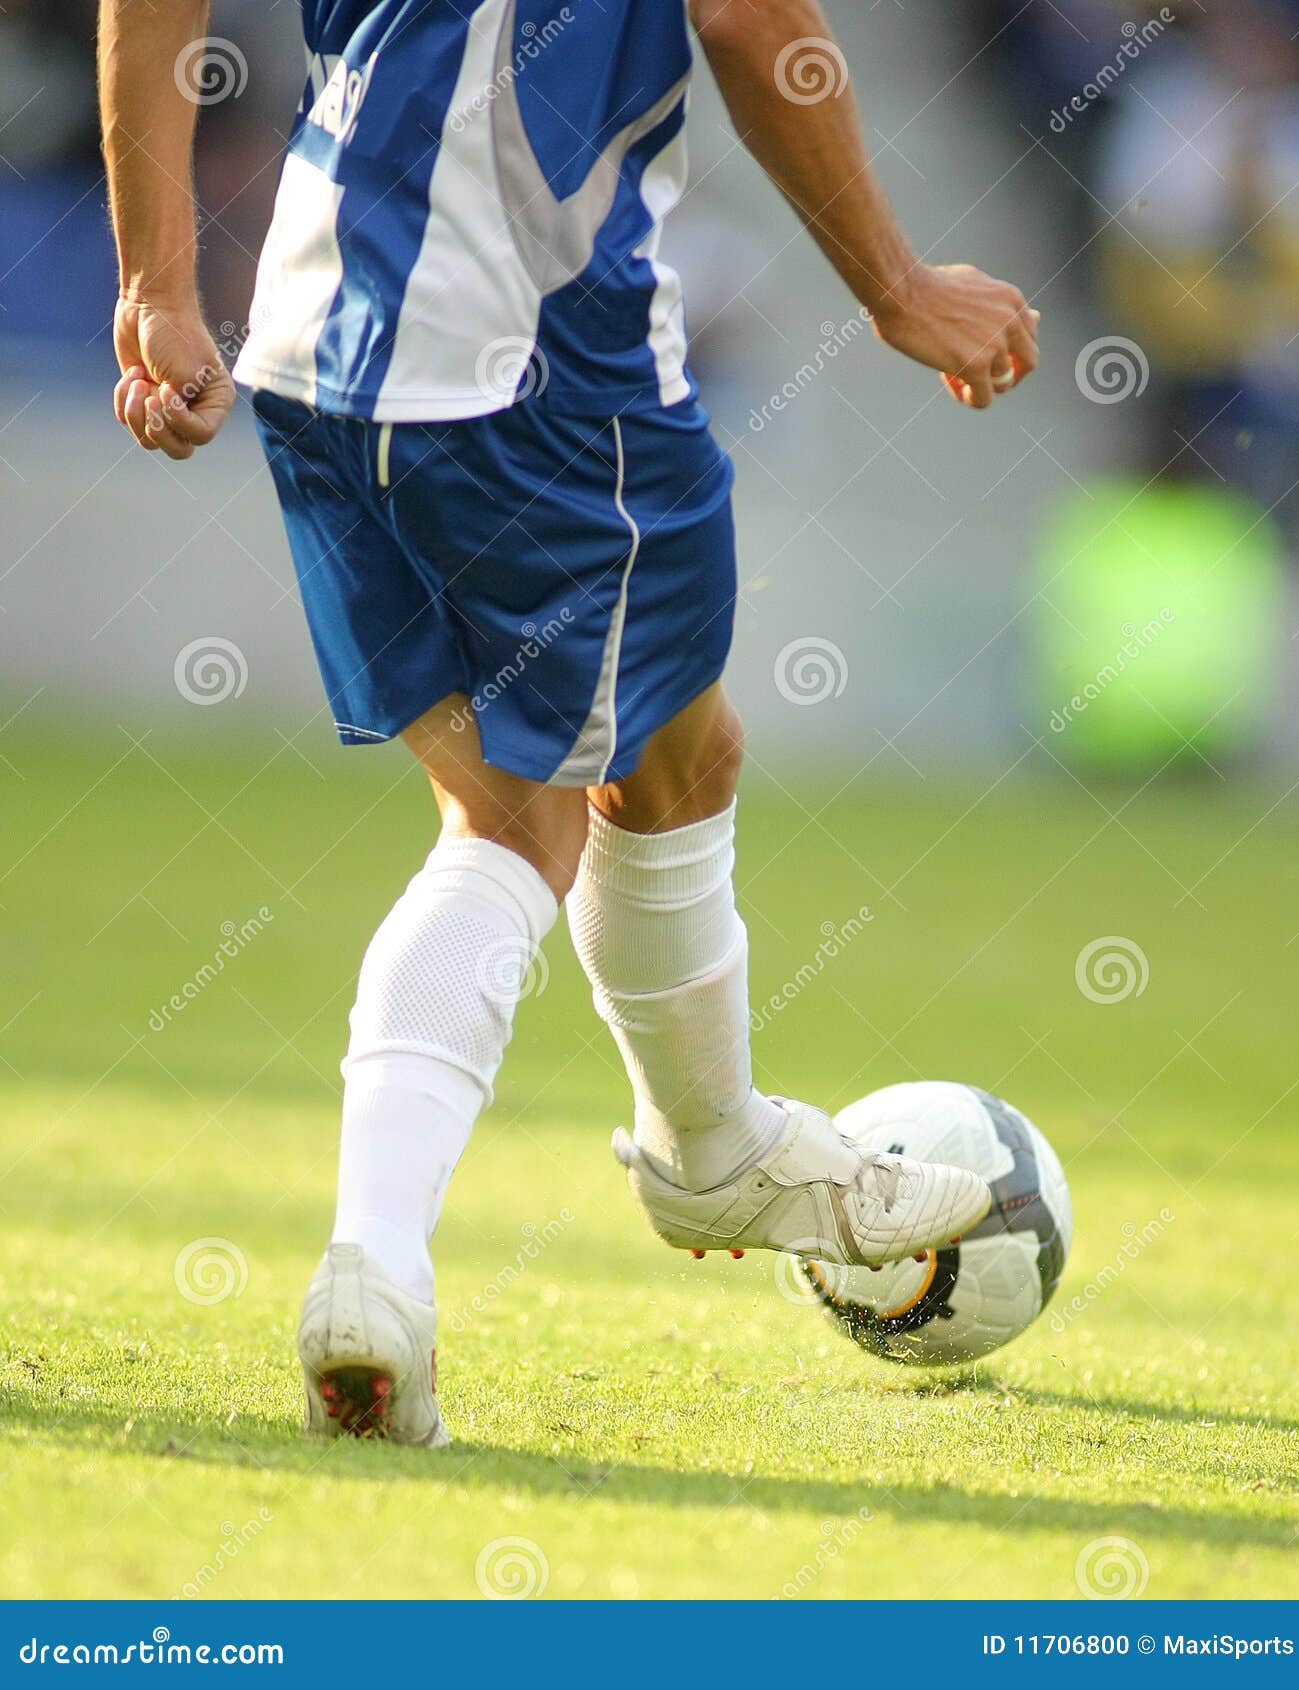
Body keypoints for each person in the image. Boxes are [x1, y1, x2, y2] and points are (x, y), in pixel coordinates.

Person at [98, 0, 1038, 1447]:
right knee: (529, 822)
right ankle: (614, 1185)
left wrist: (159, 278)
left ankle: (626, 1172)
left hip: (311, 327)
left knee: (656, 763)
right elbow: (744, 15)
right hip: (530, 357)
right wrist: (897, 283)